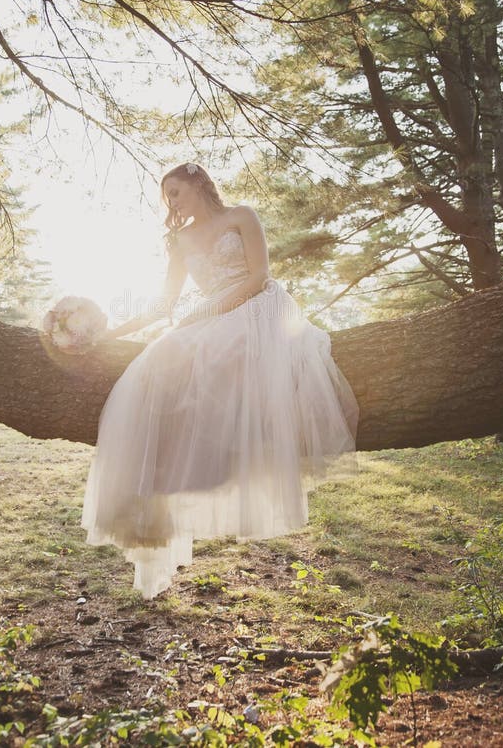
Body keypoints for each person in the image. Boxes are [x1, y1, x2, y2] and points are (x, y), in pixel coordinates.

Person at [81, 162, 359, 599]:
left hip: (260, 307)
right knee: (161, 361)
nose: (171, 202)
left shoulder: (241, 216)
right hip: (210, 314)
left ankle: (234, 454)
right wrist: (110, 334)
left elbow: (259, 276)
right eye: (167, 196)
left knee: (221, 353)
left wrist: (210, 310)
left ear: (198, 183)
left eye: (176, 191)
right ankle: (165, 492)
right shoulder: (179, 241)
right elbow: (164, 304)